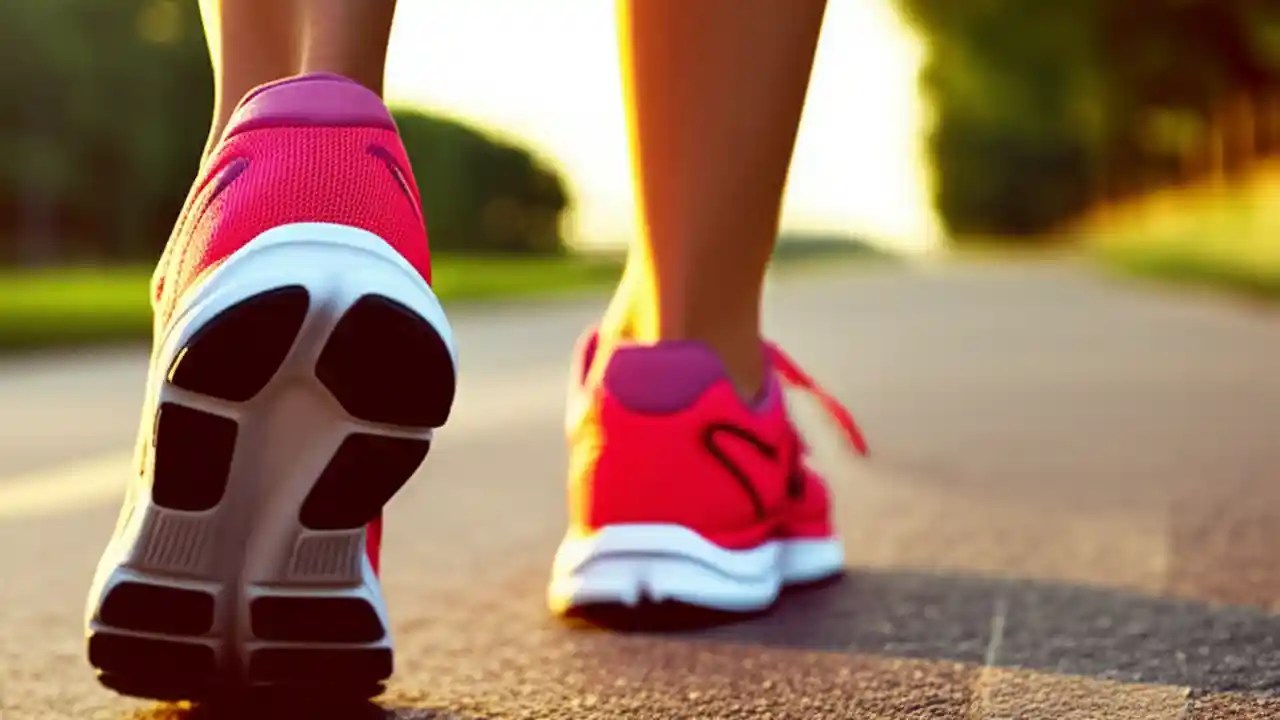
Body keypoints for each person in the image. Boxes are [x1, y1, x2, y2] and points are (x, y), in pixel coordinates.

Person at [83, 0, 867, 701]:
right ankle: (691, 393)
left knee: (286, 132)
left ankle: (276, 173)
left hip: (260, 187)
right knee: (686, 328)